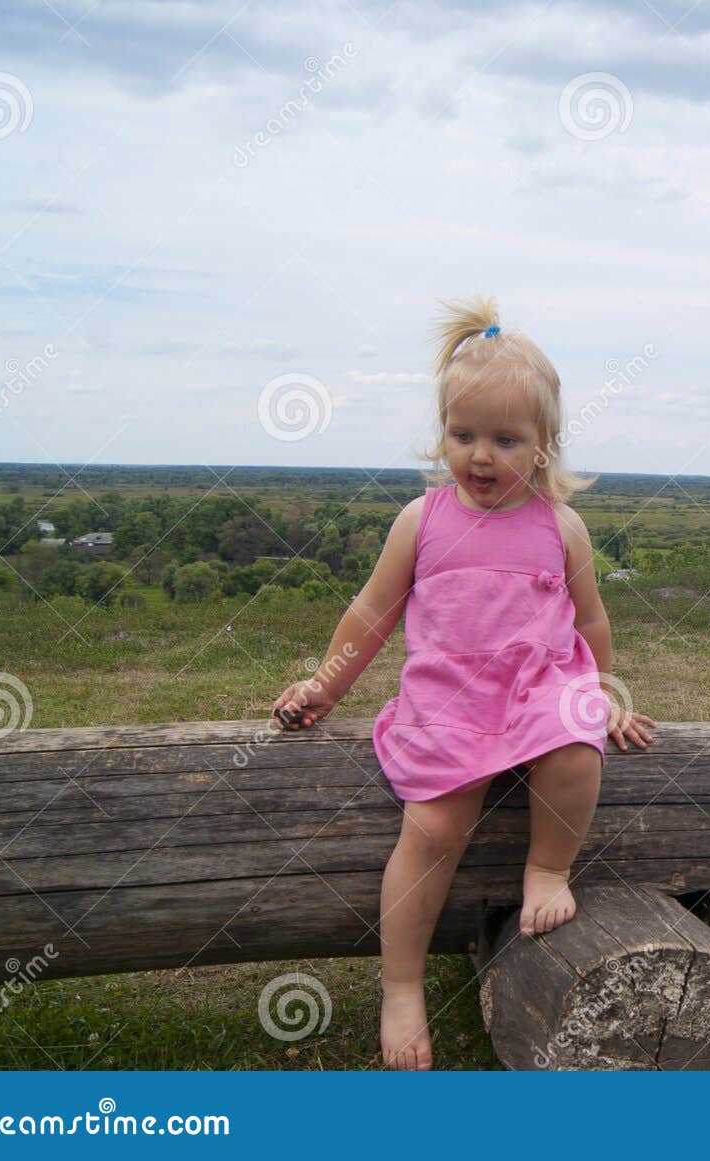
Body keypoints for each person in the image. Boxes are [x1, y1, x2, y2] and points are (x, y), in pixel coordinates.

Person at [270, 294, 657, 1070]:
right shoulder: (422, 520)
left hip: (537, 688)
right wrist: (324, 683)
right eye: (464, 434)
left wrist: (606, 688)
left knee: (577, 751)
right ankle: (402, 983)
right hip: (448, 700)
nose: (481, 455)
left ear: (544, 446)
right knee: (435, 829)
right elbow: (371, 614)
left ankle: (547, 868)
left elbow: (590, 621)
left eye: (506, 439)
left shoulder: (561, 527)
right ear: (442, 432)